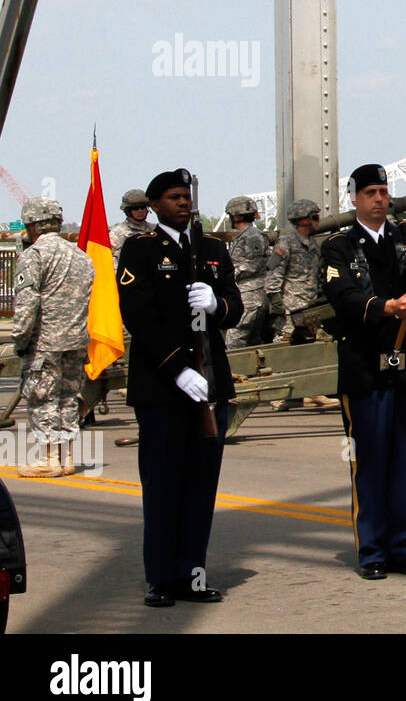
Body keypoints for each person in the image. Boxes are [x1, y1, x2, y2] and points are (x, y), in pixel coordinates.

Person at [117, 168, 243, 607]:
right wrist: (177, 369)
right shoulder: (141, 250)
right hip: (163, 388)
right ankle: (161, 578)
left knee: (200, 487)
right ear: (153, 205)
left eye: (186, 195)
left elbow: (236, 307)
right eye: (173, 197)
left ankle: (192, 574)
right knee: (163, 484)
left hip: (209, 384)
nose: (183, 202)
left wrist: (216, 304)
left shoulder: (210, 248)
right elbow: (139, 317)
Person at [321, 164, 406, 580]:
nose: (378, 199)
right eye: (370, 192)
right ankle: (372, 551)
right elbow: (343, 296)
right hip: (365, 370)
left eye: (384, 191)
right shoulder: (338, 246)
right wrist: (388, 307)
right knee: (370, 464)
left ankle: (404, 548)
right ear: (353, 198)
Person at [13, 198, 94, 478]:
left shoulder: (35, 255)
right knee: (69, 398)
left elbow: (27, 304)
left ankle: (48, 459)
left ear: (32, 225)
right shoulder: (81, 256)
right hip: (76, 340)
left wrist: (21, 341)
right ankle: (68, 456)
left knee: (42, 398)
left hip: (45, 342)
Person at [266, 198, 322, 344]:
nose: (318, 221)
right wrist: (276, 302)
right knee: (284, 345)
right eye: (315, 217)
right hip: (289, 311)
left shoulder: (314, 245)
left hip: (310, 308)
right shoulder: (286, 242)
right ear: (303, 220)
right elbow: (273, 273)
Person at [223, 195, 270, 349]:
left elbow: (254, 264)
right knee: (253, 341)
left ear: (236, 215)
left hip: (250, 295)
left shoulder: (252, 236)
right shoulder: (245, 236)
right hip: (249, 294)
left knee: (234, 339)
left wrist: (228, 274)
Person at [109, 189, 151, 270]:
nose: (140, 211)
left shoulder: (156, 230)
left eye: (143, 207)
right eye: (135, 208)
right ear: (127, 210)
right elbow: (112, 264)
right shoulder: (116, 234)